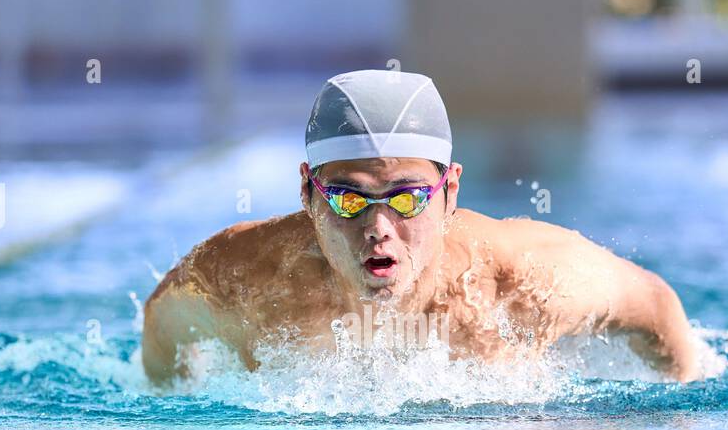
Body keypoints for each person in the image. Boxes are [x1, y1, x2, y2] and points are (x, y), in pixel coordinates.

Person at [143, 69, 699, 383]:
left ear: (449, 192)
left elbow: (655, 305)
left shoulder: (524, 284)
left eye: (407, 200)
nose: (378, 227)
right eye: (347, 199)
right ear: (309, 194)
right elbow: (161, 323)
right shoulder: (249, 277)